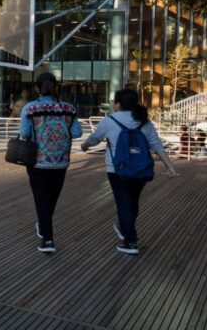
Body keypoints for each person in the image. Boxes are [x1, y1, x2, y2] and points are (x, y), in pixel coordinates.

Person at [81, 88, 178, 254]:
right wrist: (170, 167)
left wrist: (85, 146)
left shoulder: (109, 120)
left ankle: (130, 242)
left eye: (114, 102)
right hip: (141, 170)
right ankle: (126, 229)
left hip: (117, 170)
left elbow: (95, 138)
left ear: (118, 104)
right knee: (133, 202)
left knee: (123, 204)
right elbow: (156, 145)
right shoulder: (143, 121)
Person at [19, 73, 82, 254]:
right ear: (56, 87)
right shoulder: (69, 108)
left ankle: (47, 239)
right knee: (52, 198)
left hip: (37, 161)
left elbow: (24, 133)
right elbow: (77, 132)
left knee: (41, 199)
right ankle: (44, 226)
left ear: (37, 88)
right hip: (61, 161)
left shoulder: (30, 109)